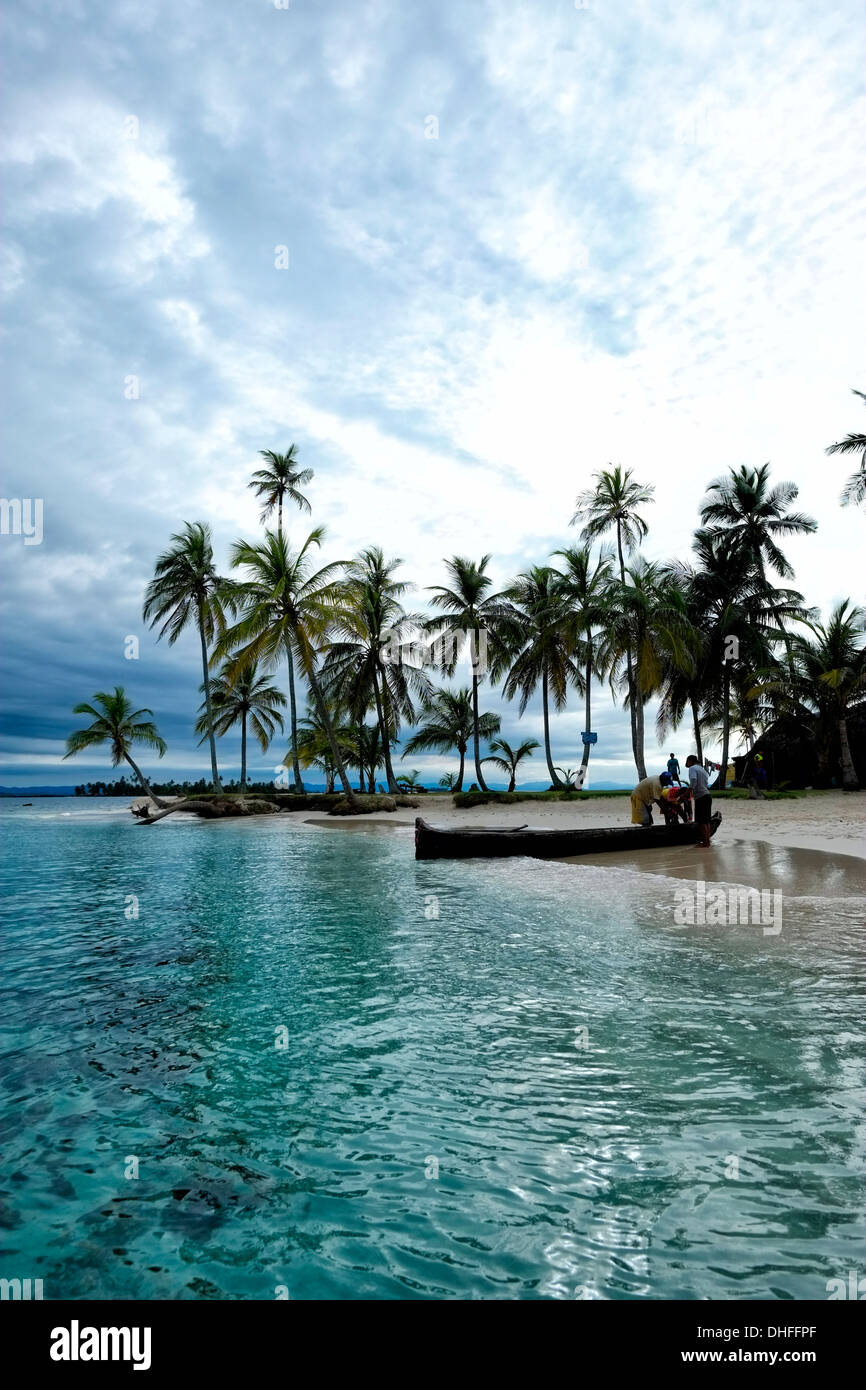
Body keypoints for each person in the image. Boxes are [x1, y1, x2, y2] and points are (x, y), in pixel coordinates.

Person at [685, 754, 712, 847]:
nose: (686, 763)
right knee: (707, 821)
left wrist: (688, 791)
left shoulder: (692, 768)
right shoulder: (702, 769)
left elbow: (693, 780)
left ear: (690, 761)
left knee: (701, 822)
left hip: (701, 797)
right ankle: (707, 842)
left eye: (687, 761)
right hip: (707, 795)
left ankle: (705, 843)